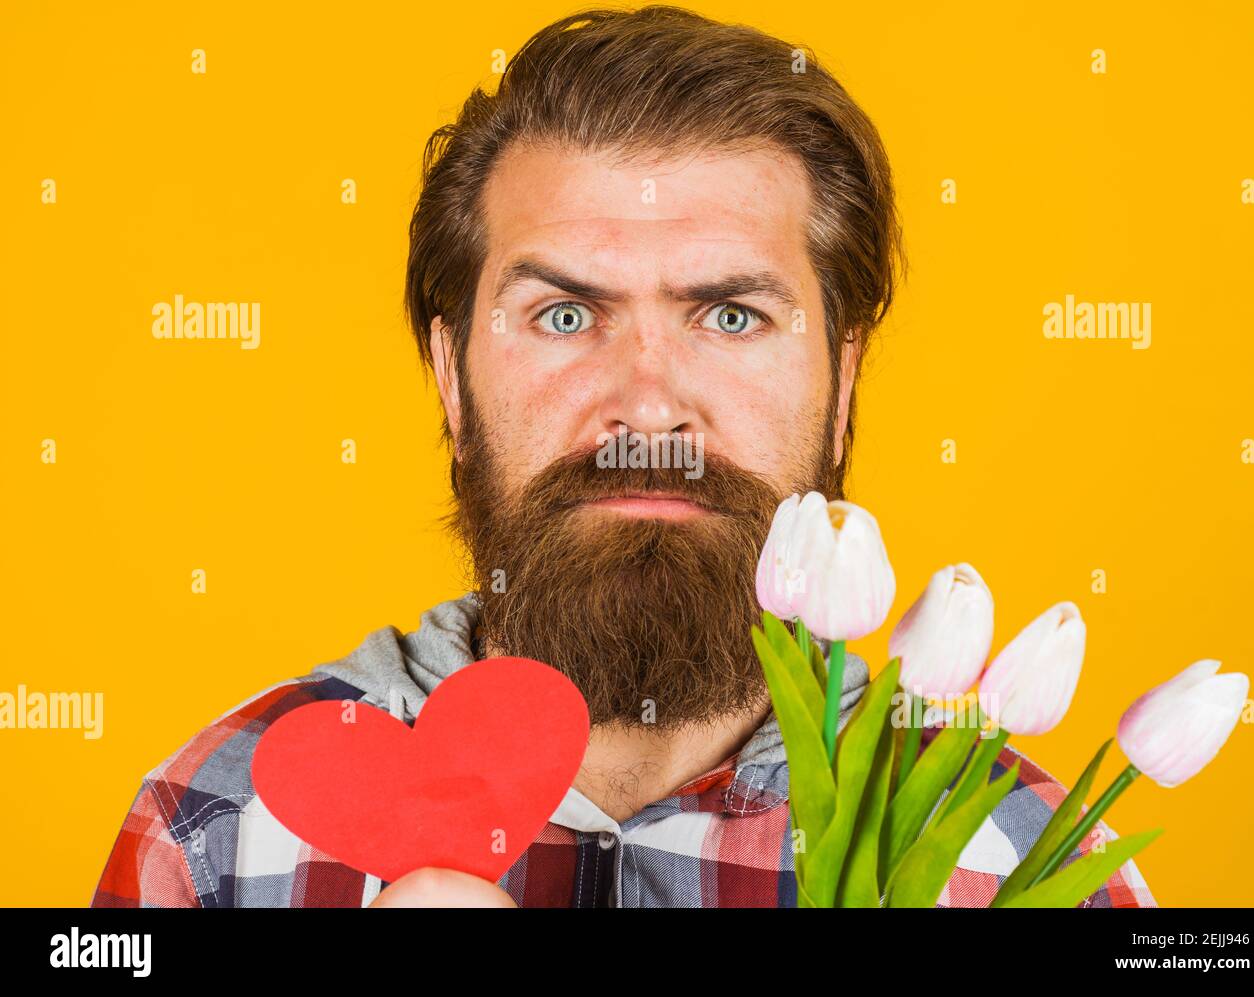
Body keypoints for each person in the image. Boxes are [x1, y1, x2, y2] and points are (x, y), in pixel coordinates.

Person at [90, 5, 1156, 908]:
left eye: (732, 316)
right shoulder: (216, 833)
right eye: (561, 316)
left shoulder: (1025, 861)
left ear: (844, 384)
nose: (647, 402)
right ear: (452, 379)